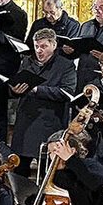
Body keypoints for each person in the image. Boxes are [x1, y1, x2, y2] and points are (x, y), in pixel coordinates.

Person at [10, 29, 77, 165]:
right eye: (36, 46)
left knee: (45, 168)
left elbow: (67, 92)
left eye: (44, 46)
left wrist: (37, 89)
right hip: (26, 122)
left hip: (49, 123)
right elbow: (18, 85)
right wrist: (15, 90)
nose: (39, 50)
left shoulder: (65, 65)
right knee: (20, 168)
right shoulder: (27, 62)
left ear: (53, 45)